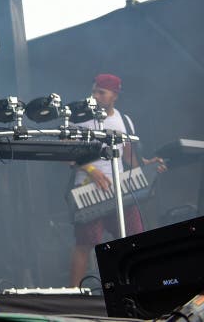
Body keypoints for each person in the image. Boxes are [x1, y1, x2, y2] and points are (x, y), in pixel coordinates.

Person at [68, 73, 166, 287]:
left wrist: (148, 166)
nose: (95, 96)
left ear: (114, 96)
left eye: (101, 92)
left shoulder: (125, 121)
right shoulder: (82, 119)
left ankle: (138, 285)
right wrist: (92, 170)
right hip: (89, 189)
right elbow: (67, 154)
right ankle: (72, 293)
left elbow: (129, 157)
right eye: (93, 91)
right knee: (85, 243)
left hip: (121, 191)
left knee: (134, 238)